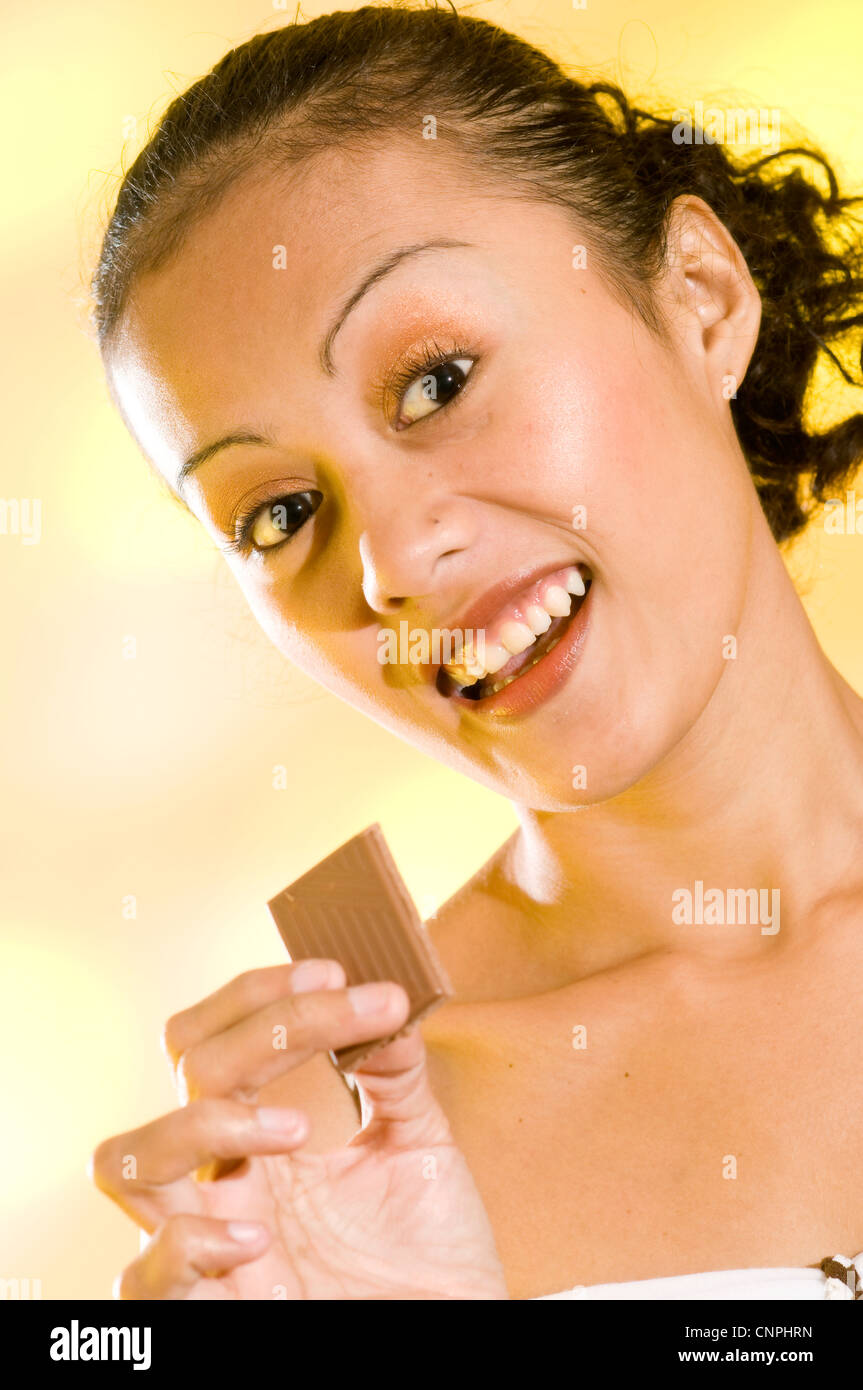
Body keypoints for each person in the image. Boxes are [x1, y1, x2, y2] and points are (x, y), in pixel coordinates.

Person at [87, 3, 863, 1300]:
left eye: (439, 380)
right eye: (278, 514)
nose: (389, 568)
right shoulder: (348, 1154)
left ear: (701, 300)